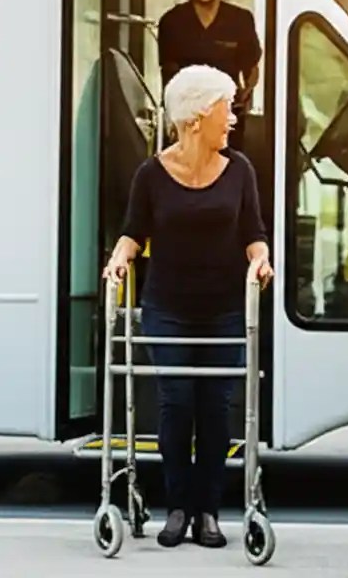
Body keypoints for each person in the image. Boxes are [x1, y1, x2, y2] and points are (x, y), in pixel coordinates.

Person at [102, 64, 274, 549]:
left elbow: (254, 235)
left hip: (222, 310)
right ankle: (177, 507)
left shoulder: (239, 170)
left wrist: (262, 262)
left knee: (217, 410)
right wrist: (118, 259)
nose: (234, 119)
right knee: (176, 407)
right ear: (198, 115)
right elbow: (133, 233)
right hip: (168, 309)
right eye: (226, 108)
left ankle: (209, 512)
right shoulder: (151, 174)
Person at [157, 0, 262, 152]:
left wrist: (240, 101)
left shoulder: (240, 20)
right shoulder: (171, 22)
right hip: (185, 125)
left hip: (226, 125)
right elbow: (168, 75)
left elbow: (252, 69)